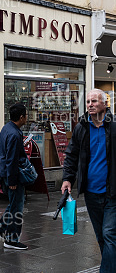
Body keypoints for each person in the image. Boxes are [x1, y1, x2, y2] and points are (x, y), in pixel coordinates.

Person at [62, 89, 116, 273]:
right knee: (102, 236)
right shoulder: (82, 127)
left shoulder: (114, 126)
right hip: (91, 192)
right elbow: (71, 154)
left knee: (109, 234)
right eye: (88, 102)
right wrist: (68, 179)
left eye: (94, 101)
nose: (90, 105)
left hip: (112, 191)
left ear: (105, 104)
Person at [0, 102, 28, 250]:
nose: (26, 118)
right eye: (25, 116)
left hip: (4, 173)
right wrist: (12, 180)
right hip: (11, 175)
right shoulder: (14, 134)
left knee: (14, 204)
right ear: (21, 117)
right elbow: (11, 159)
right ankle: (11, 239)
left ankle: (0, 228)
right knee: (17, 207)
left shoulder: (7, 128)